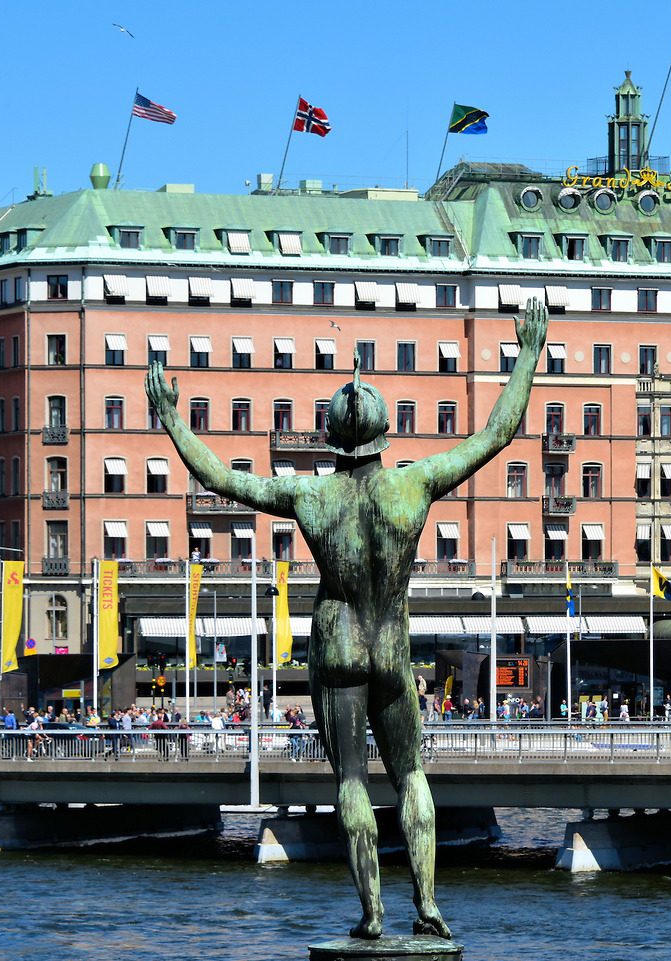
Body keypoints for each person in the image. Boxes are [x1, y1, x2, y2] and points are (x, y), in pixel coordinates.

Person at [147, 298, 546, 941]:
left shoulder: (309, 493)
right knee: (411, 774)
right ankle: (429, 907)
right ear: (387, 431)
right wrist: (527, 354)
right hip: (391, 641)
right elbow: (497, 434)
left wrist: (171, 419)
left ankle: (372, 914)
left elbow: (218, 477)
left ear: (331, 436)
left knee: (352, 781)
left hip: (335, 643)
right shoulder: (414, 484)